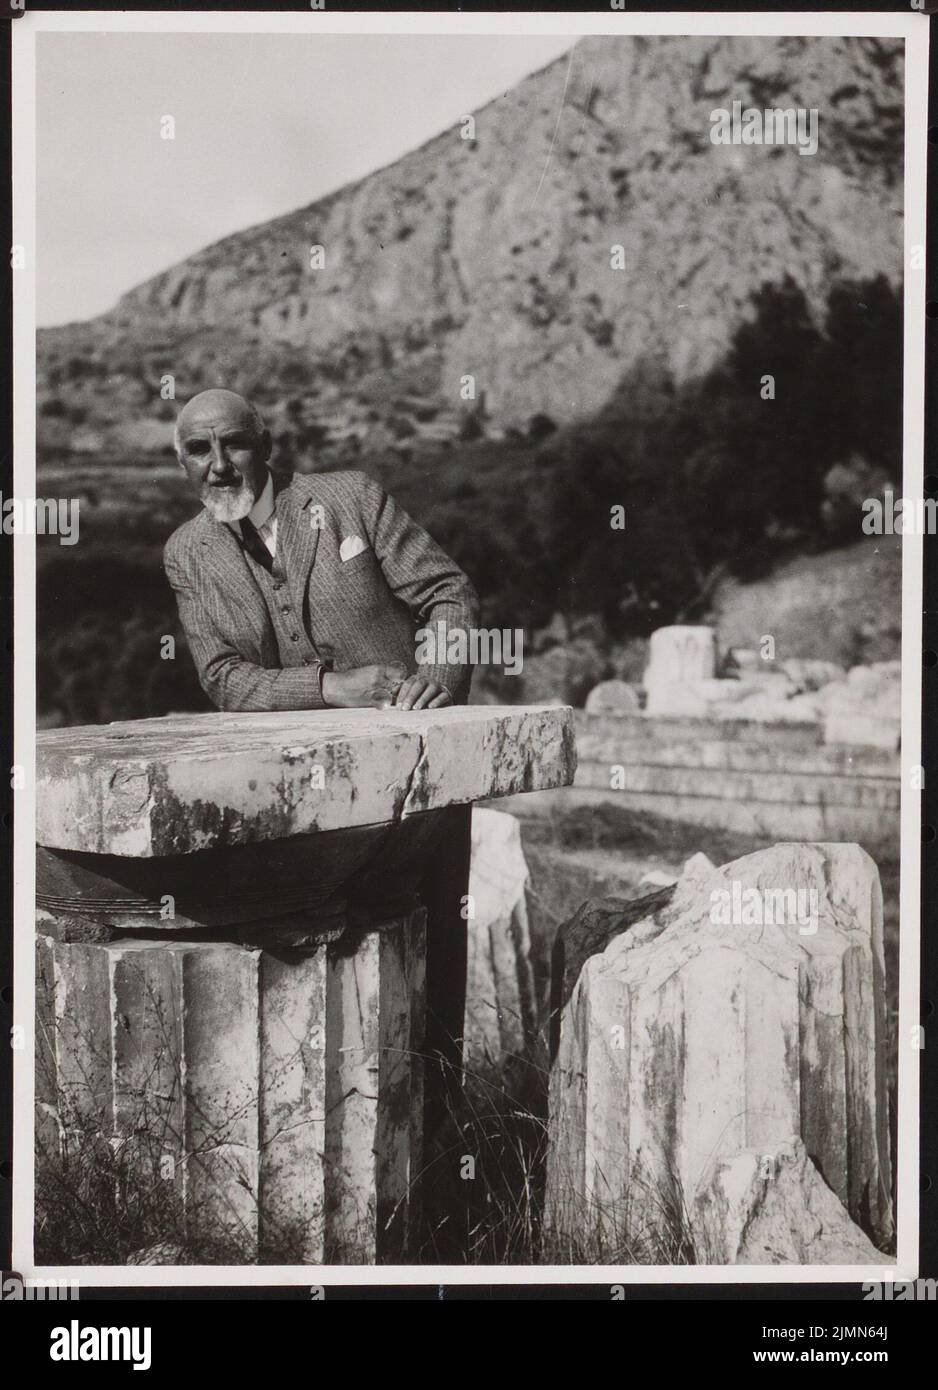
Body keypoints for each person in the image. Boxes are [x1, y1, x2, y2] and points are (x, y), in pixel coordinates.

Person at [164, 388, 479, 711]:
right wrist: (329, 687)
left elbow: (448, 592)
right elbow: (221, 676)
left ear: (266, 446)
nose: (219, 465)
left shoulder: (353, 496)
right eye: (199, 449)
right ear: (182, 463)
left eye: (234, 443)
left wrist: (437, 678)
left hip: (406, 725)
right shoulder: (185, 552)